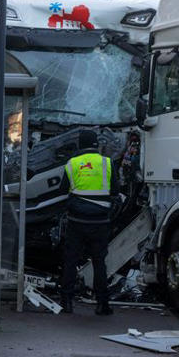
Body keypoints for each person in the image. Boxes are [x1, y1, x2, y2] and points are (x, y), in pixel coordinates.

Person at [59, 130, 117, 315]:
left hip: (76, 221)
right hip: (100, 222)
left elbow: (62, 190)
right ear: (96, 144)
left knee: (71, 260)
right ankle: (102, 304)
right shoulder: (107, 163)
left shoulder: (72, 163)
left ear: (80, 145)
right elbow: (115, 190)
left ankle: (67, 303)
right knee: (99, 262)